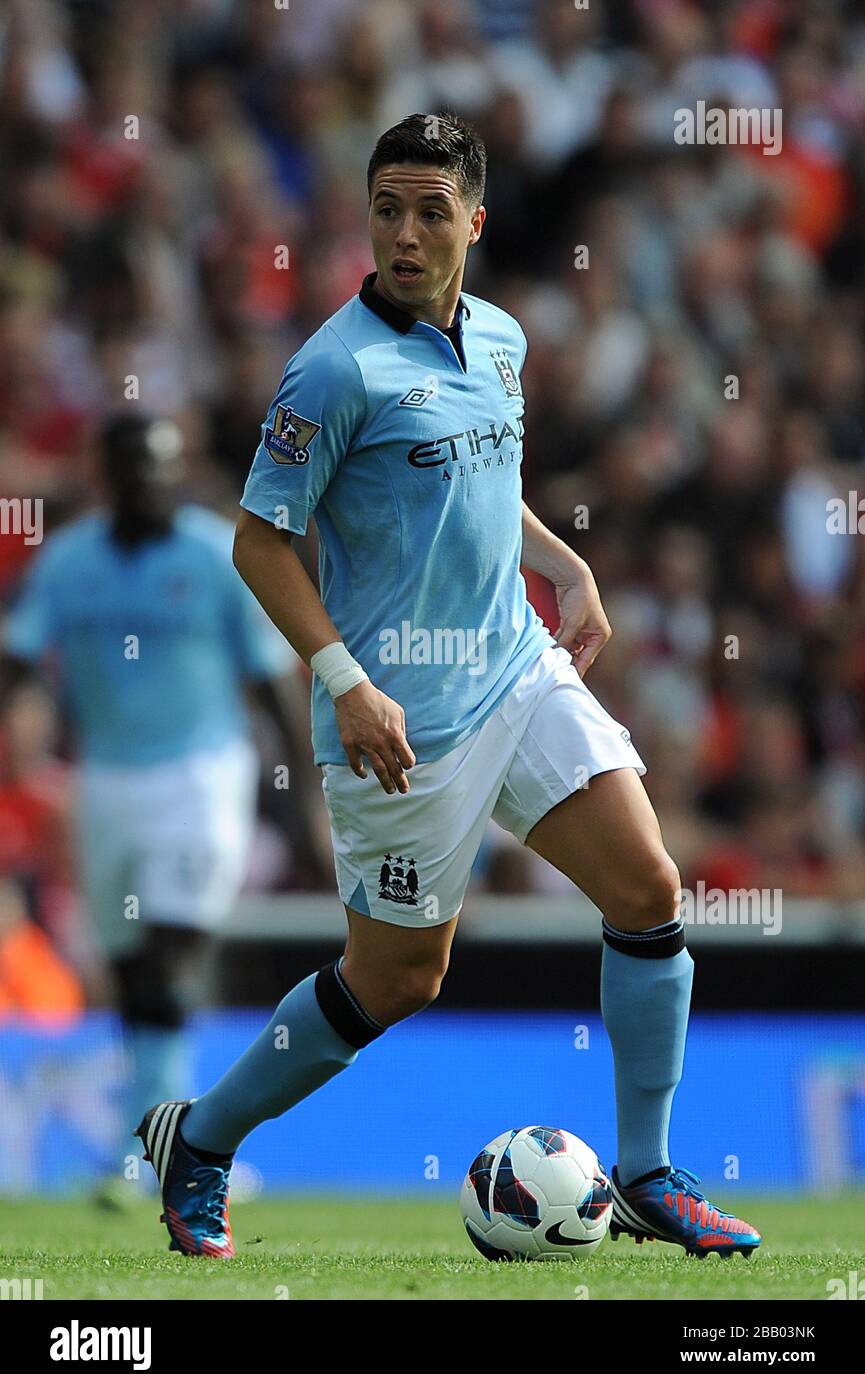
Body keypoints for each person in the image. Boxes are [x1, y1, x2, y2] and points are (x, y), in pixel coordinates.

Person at [137, 113, 760, 1260]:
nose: (406, 234)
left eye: (431, 211)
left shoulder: (506, 341)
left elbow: (481, 484)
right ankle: (203, 1139)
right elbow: (260, 543)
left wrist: (560, 564)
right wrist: (347, 681)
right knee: (397, 978)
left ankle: (648, 1173)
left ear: (474, 220)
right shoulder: (332, 369)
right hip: (399, 721)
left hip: (516, 668)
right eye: (387, 209)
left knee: (649, 887)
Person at [2, 414, 306, 1204]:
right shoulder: (69, 564)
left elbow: (270, 679)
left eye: (162, 468)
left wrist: (307, 798)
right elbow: (18, 660)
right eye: (134, 467)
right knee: (133, 969)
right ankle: (157, 1139)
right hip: (105, 781)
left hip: (201, 775)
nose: (149, 482)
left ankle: (165, 1149)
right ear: (108, 472)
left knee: (173, 951)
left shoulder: (214, 556)